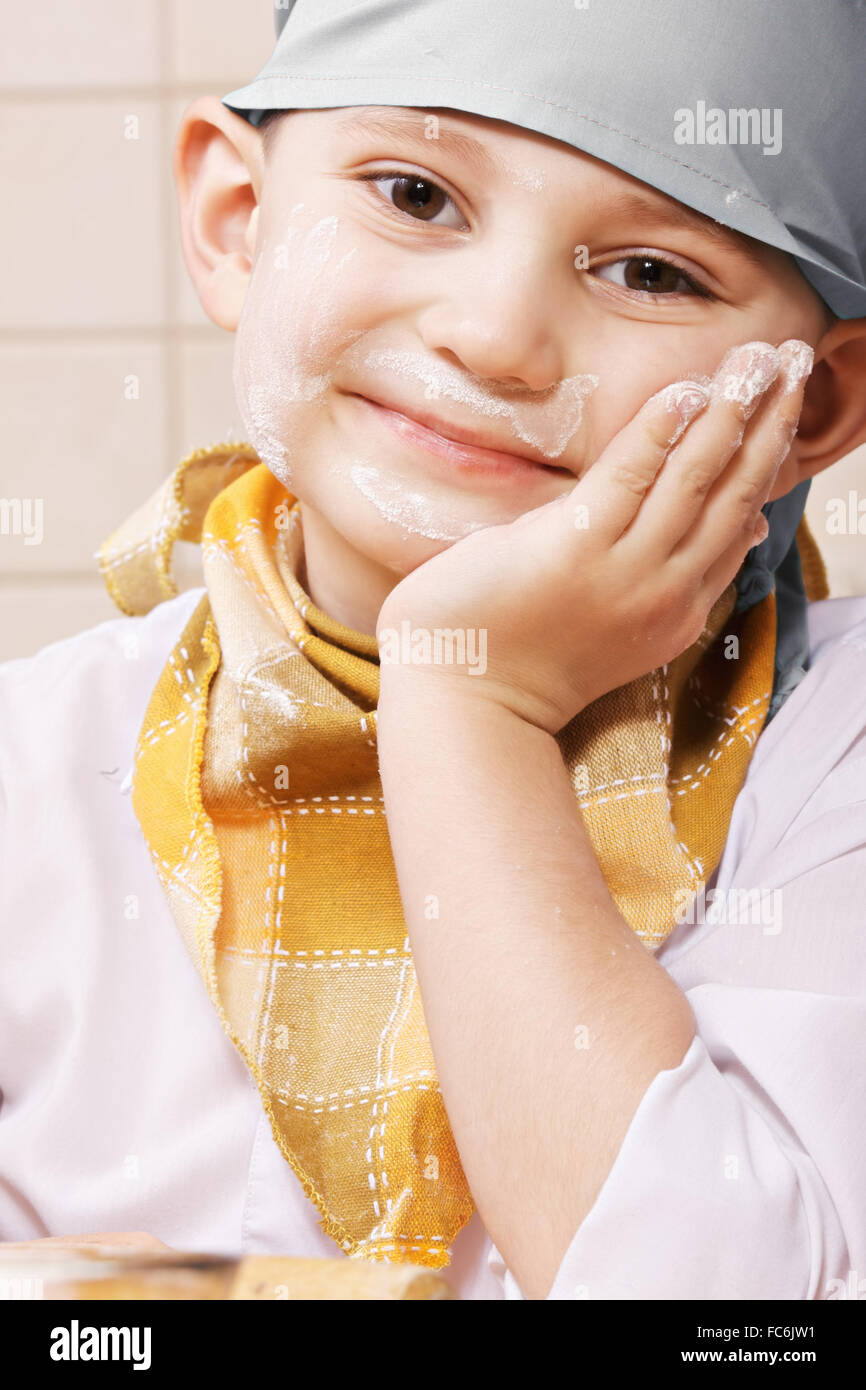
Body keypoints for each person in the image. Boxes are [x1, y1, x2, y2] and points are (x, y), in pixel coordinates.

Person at [1, 0, 865, 1300]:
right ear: (238, 223)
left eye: (650, 272)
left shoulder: (831, 761)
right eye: (415, 194)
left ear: (812, 403)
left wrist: (476, 703)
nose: (494, 337)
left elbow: (727, 1316)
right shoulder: (32, 770)